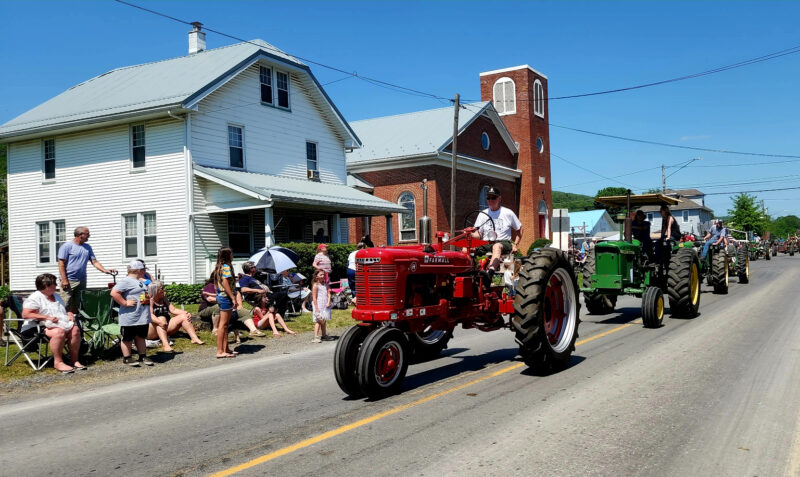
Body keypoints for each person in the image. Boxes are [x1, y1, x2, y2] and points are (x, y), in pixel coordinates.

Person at [21, 273, 86, 373]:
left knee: (75, 330)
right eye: (54, 284)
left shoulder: (56, 296)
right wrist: (47, 317)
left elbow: (64, 310)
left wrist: (69, 314)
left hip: (57, 324)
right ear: (47, 286)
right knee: (59, 332)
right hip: (36, 326)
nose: (57, 285)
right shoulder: (35, 298)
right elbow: (26, 315)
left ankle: (74, 360)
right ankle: (58, 362)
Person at [57, 226, 116, 315]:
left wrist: (104, 270)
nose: (89, 236)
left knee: (78, 304)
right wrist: (64, 279)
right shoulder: (67, 246)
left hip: (81, 280)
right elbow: (61, 264)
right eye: (87, 234)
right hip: (69, 280)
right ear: (80, 235)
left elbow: (94, 261)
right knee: (65, 303)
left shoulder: (87, 247)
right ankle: (61, 323)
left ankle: (75, 323)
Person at [110, 260, 154, 367]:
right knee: (128, 338)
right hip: (130, 316)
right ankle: (127, 357)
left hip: (142, 315)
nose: (144, 271)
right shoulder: (126, 281)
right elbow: (114, 293)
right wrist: (124, 302)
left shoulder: (139, 280)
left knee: (141, 336)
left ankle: (142, 355)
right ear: (138, 270)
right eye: (143, 269)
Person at [470, 186, 523, 275]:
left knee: (497, 246)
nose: (490, 200)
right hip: (486, 243)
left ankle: (490, 274)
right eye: (488, 198)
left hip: (504, 242)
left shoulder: (508, 213)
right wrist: (470, 234)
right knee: (467, 247)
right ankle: (464, 274)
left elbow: (520, 229)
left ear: (499, 199)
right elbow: (479, 234)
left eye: (493, 198)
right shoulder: (483, 214)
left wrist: (515, 244)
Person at [146, 280, 204, 350]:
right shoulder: (150, 300)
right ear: (155, 290)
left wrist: (186, 313)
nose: (164, 290)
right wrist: (159, 322)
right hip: (152, 329)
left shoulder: (164, 298)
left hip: (166, 326)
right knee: (161, 318)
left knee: (184, 316)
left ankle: (194, 338)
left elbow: (173, 310)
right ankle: (165, 344)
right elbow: (150, 315)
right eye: (162, 288)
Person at [212, 247, 238, 358]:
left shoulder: (221, 267)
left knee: (226, 325)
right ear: (228, 256)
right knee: (222, 325)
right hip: (225, 297)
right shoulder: (226, 267)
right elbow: (225, 283)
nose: (233, 256)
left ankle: (225, 348)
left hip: (222, 296)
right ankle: (220, 351)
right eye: (231, 254)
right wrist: (232, 297)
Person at [311, 269, 331, 343]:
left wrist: (328, 302)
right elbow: (314, 298)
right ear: (317, 276)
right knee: (318, 321)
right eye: (321, 275)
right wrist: (316, 308)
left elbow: (329, 293)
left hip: (325, 304)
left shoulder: (326, 284)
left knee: (324, 320)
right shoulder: (315, 285)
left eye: (323, 274)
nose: (323, 276)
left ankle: (324, 335)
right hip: (318, 305)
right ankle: (316, 337)